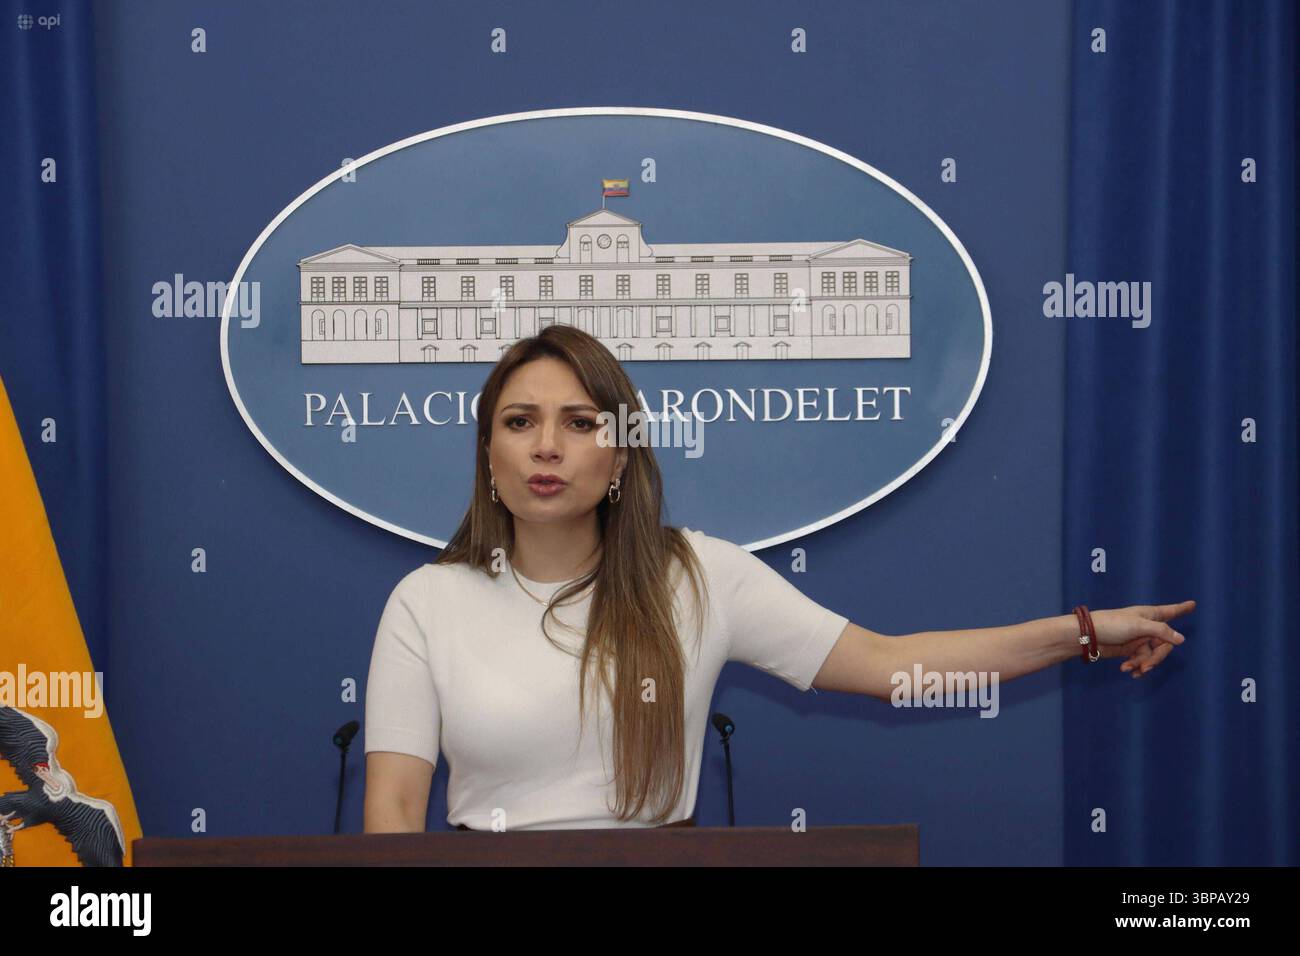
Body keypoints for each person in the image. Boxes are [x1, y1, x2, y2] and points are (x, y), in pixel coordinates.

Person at [362, 325, 1195, 833]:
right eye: (520, 422)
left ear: (618, 457)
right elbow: (395, 816)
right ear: (488, 453)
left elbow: (892, 669)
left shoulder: (699, 577)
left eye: (580, 423)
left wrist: (1081, 632)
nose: (548, 446)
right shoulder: (426, 603)